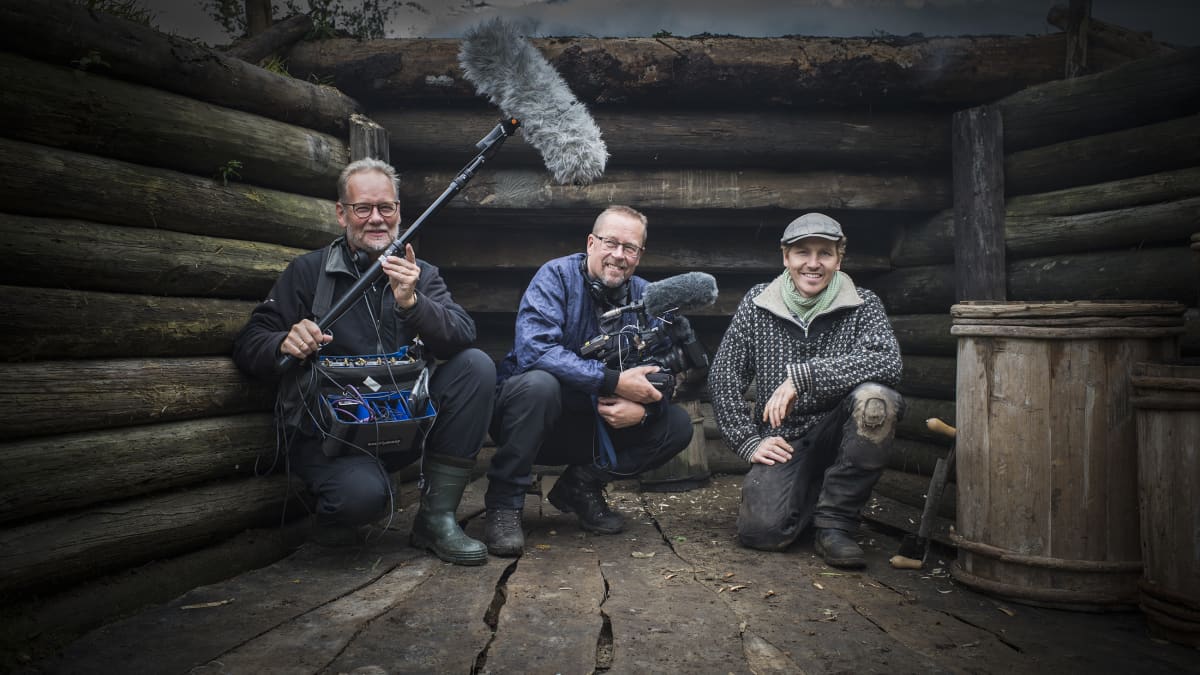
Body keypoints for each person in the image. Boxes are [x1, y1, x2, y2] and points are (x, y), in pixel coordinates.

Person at [232, 158, 496, 566]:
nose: (377, 219)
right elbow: (250, 343)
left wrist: (412, 303)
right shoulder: (307, 273)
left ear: (399, 212)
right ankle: (342, 511)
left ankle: (435, 519)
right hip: (332, 441)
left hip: (404, 426)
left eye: (386, 208)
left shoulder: (419, 274)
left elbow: (461, 334)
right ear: (342, 213)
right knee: (363, 499)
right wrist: (284, 341)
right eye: (363, 209)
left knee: (476, 366)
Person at [484, 205, 695, 556]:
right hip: (532, 420)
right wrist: (612, 381)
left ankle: (581, 486)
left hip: (595, 426)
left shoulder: (649, 296)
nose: (618, 255)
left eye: (630, 248)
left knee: (677, 426)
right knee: (540, 384)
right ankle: (504, 504)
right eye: (610, 243)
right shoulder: (556, 277)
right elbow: (536, 351)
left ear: (640, 255)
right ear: (591, 243)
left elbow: (669, 369)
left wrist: (644, 409)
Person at [708, 212, 903, 568]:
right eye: (802, 252)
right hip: (786, 440)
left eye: (824, 253)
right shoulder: (757, 304)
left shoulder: (863, 303)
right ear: (786, 257)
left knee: (877, 400)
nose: (813, 264)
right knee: (761, 533)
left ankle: (835, 525)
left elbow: (887, 362)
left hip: (839, 433)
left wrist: (806, 377)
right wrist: (747, 440)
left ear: (839, 258)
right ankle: (810, 492)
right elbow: (724, 376)